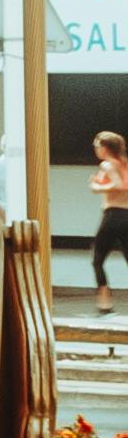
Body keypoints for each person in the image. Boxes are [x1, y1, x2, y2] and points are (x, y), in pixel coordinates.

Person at [91, 131, 128, 310]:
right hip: (127, 214)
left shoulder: (107, 165)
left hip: (113, 214)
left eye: (97, 146)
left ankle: (104, 301)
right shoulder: (125, 165)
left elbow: (119, 185)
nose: (96, 149)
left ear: (104, 148)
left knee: (97, 258)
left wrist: (97, 187)